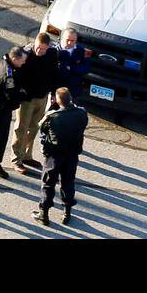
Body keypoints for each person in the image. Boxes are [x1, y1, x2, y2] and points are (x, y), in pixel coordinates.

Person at [33, 87, 88, 226]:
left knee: (48, 183)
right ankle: (66, 212)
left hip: (54, 155)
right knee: (68, 182)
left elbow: (42, 128)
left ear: (58, 100)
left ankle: (43, 213)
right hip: (72, 154)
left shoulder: (52, 116)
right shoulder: (81, 114)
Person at [11, 31, 60, 172]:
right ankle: (16, 159)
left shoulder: (51, 54)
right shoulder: (26, 54)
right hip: (27, 100)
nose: (40, 51)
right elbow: (17, 75)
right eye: (38, 47)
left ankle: (27, 155)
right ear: (34, 43)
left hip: (42, 97)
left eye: (43, 49)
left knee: (34, 128)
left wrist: (53, 92)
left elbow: (54, 74)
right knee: (21, 128)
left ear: (48, 47)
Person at [0, 45, 29, 176]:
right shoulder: (8, 74)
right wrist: (23, 93)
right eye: (22, 60)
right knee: (0, 138)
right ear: (14, 58)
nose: (24, 63)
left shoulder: (4, 60)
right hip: (2, 108)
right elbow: (11, 95)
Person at [56, 27, 91, 103]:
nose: (69, 43)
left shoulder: (81, 51)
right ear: (62, 38)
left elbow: (86, 68)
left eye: (72, 41)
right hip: (57, 91)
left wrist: (71, 68)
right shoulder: (55, 51)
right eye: (67, 40)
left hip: (73, 91)